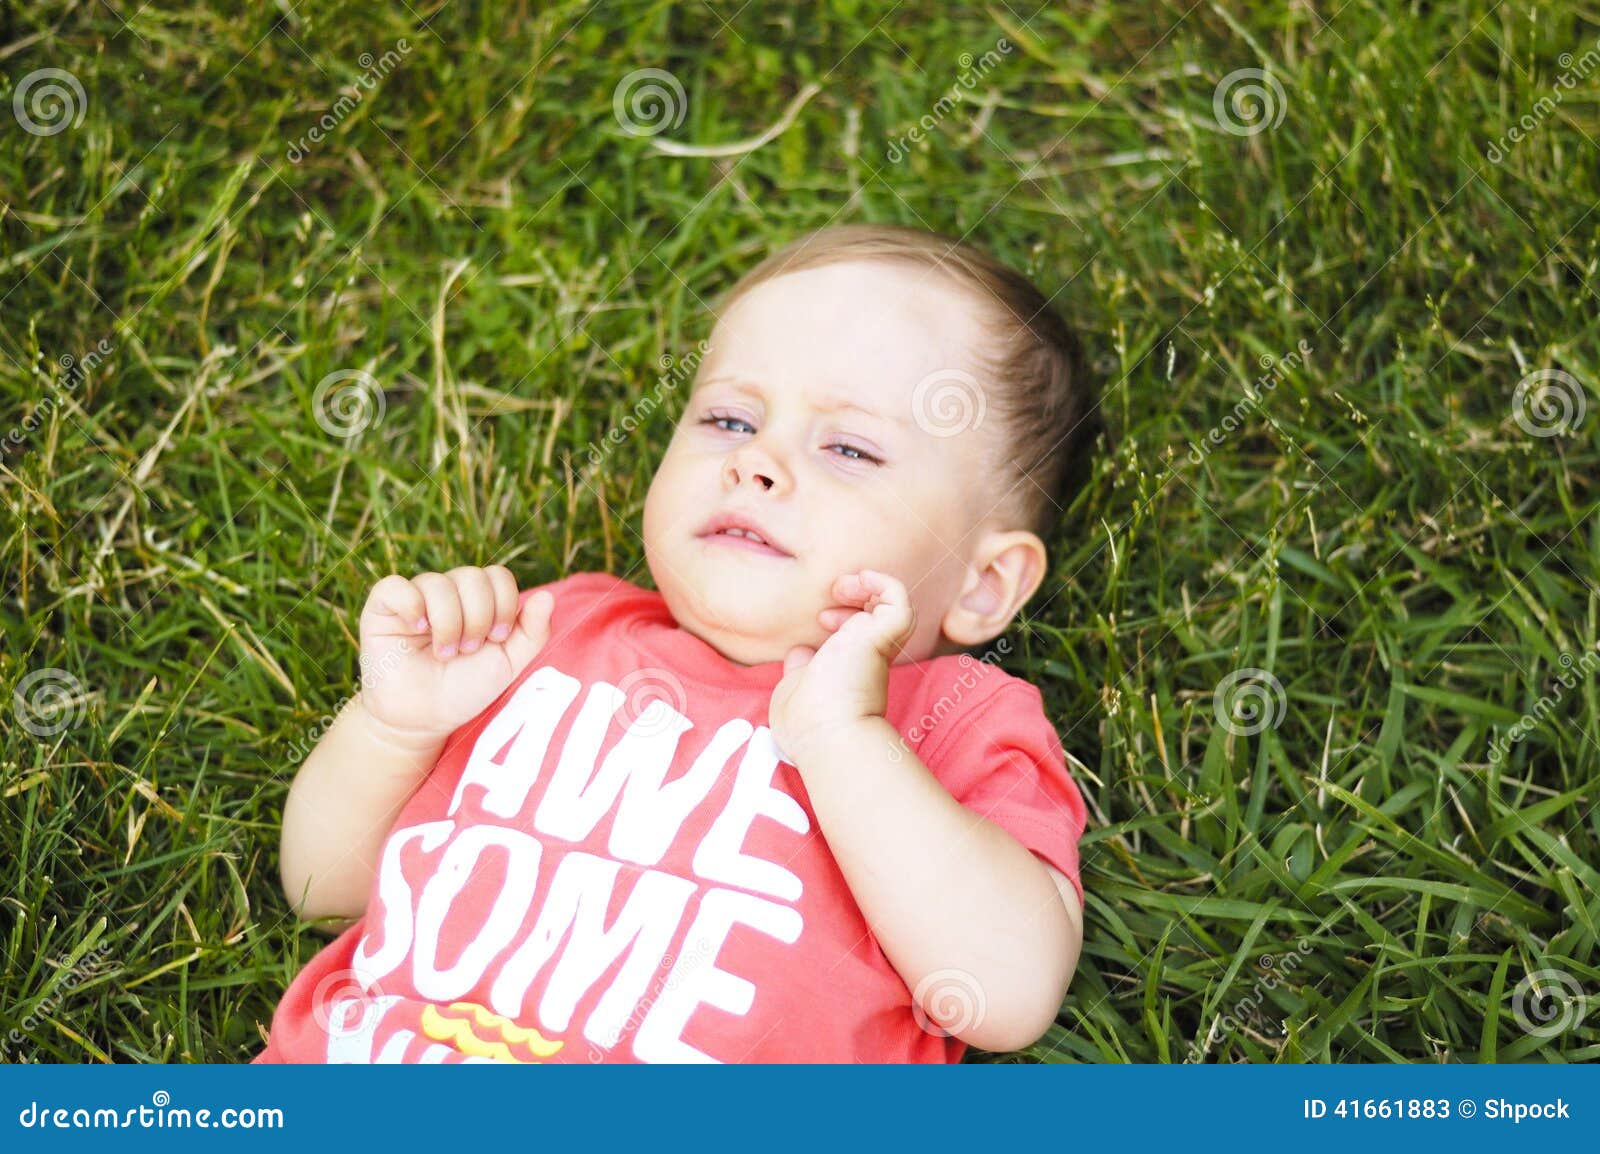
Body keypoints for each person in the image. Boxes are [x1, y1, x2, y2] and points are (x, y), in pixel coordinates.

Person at [253, 222, 1100, 1063]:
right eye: (729, 419)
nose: (755, 464)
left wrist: (847, 742)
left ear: (983, 585)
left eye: (848, 447)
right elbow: (323, 896)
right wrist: (393, 728)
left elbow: (1009, 991)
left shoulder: (954, 722)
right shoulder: (550, 633)